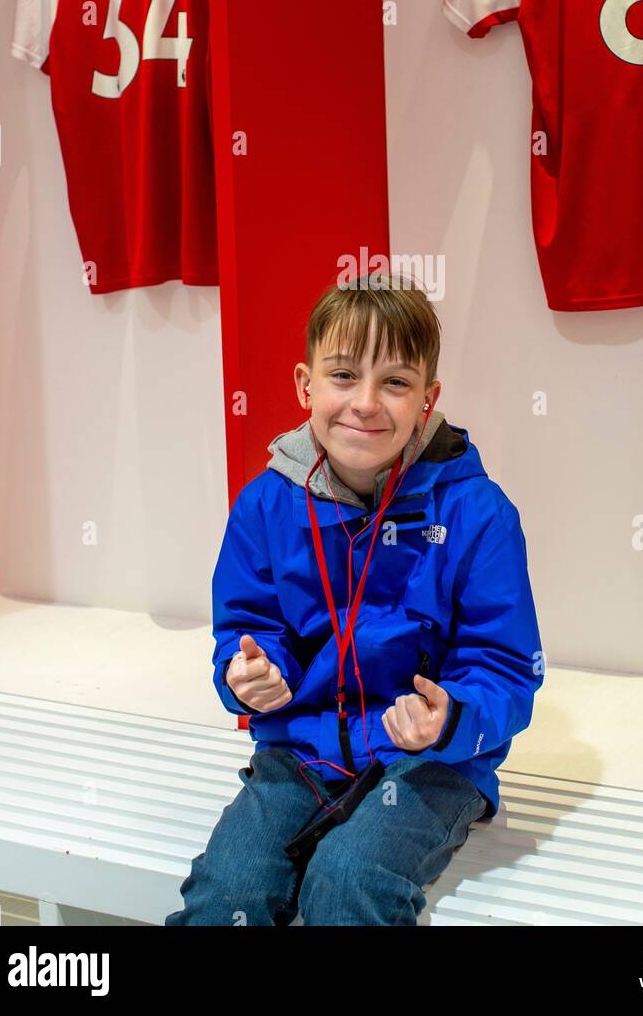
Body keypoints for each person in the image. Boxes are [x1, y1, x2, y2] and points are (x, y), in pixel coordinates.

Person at [165, 272, 544, 926]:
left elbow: (508, 670)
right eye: (343, 375)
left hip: (431, 762)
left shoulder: (479, 514)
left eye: (395, 382)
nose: (365, 403)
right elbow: (248, 631)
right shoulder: (263, 505)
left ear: (428, 399)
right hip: (302, 749)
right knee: (227, 893)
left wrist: (450, 718)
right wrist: (250, 674)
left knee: (346, 884)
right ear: (305, 386)